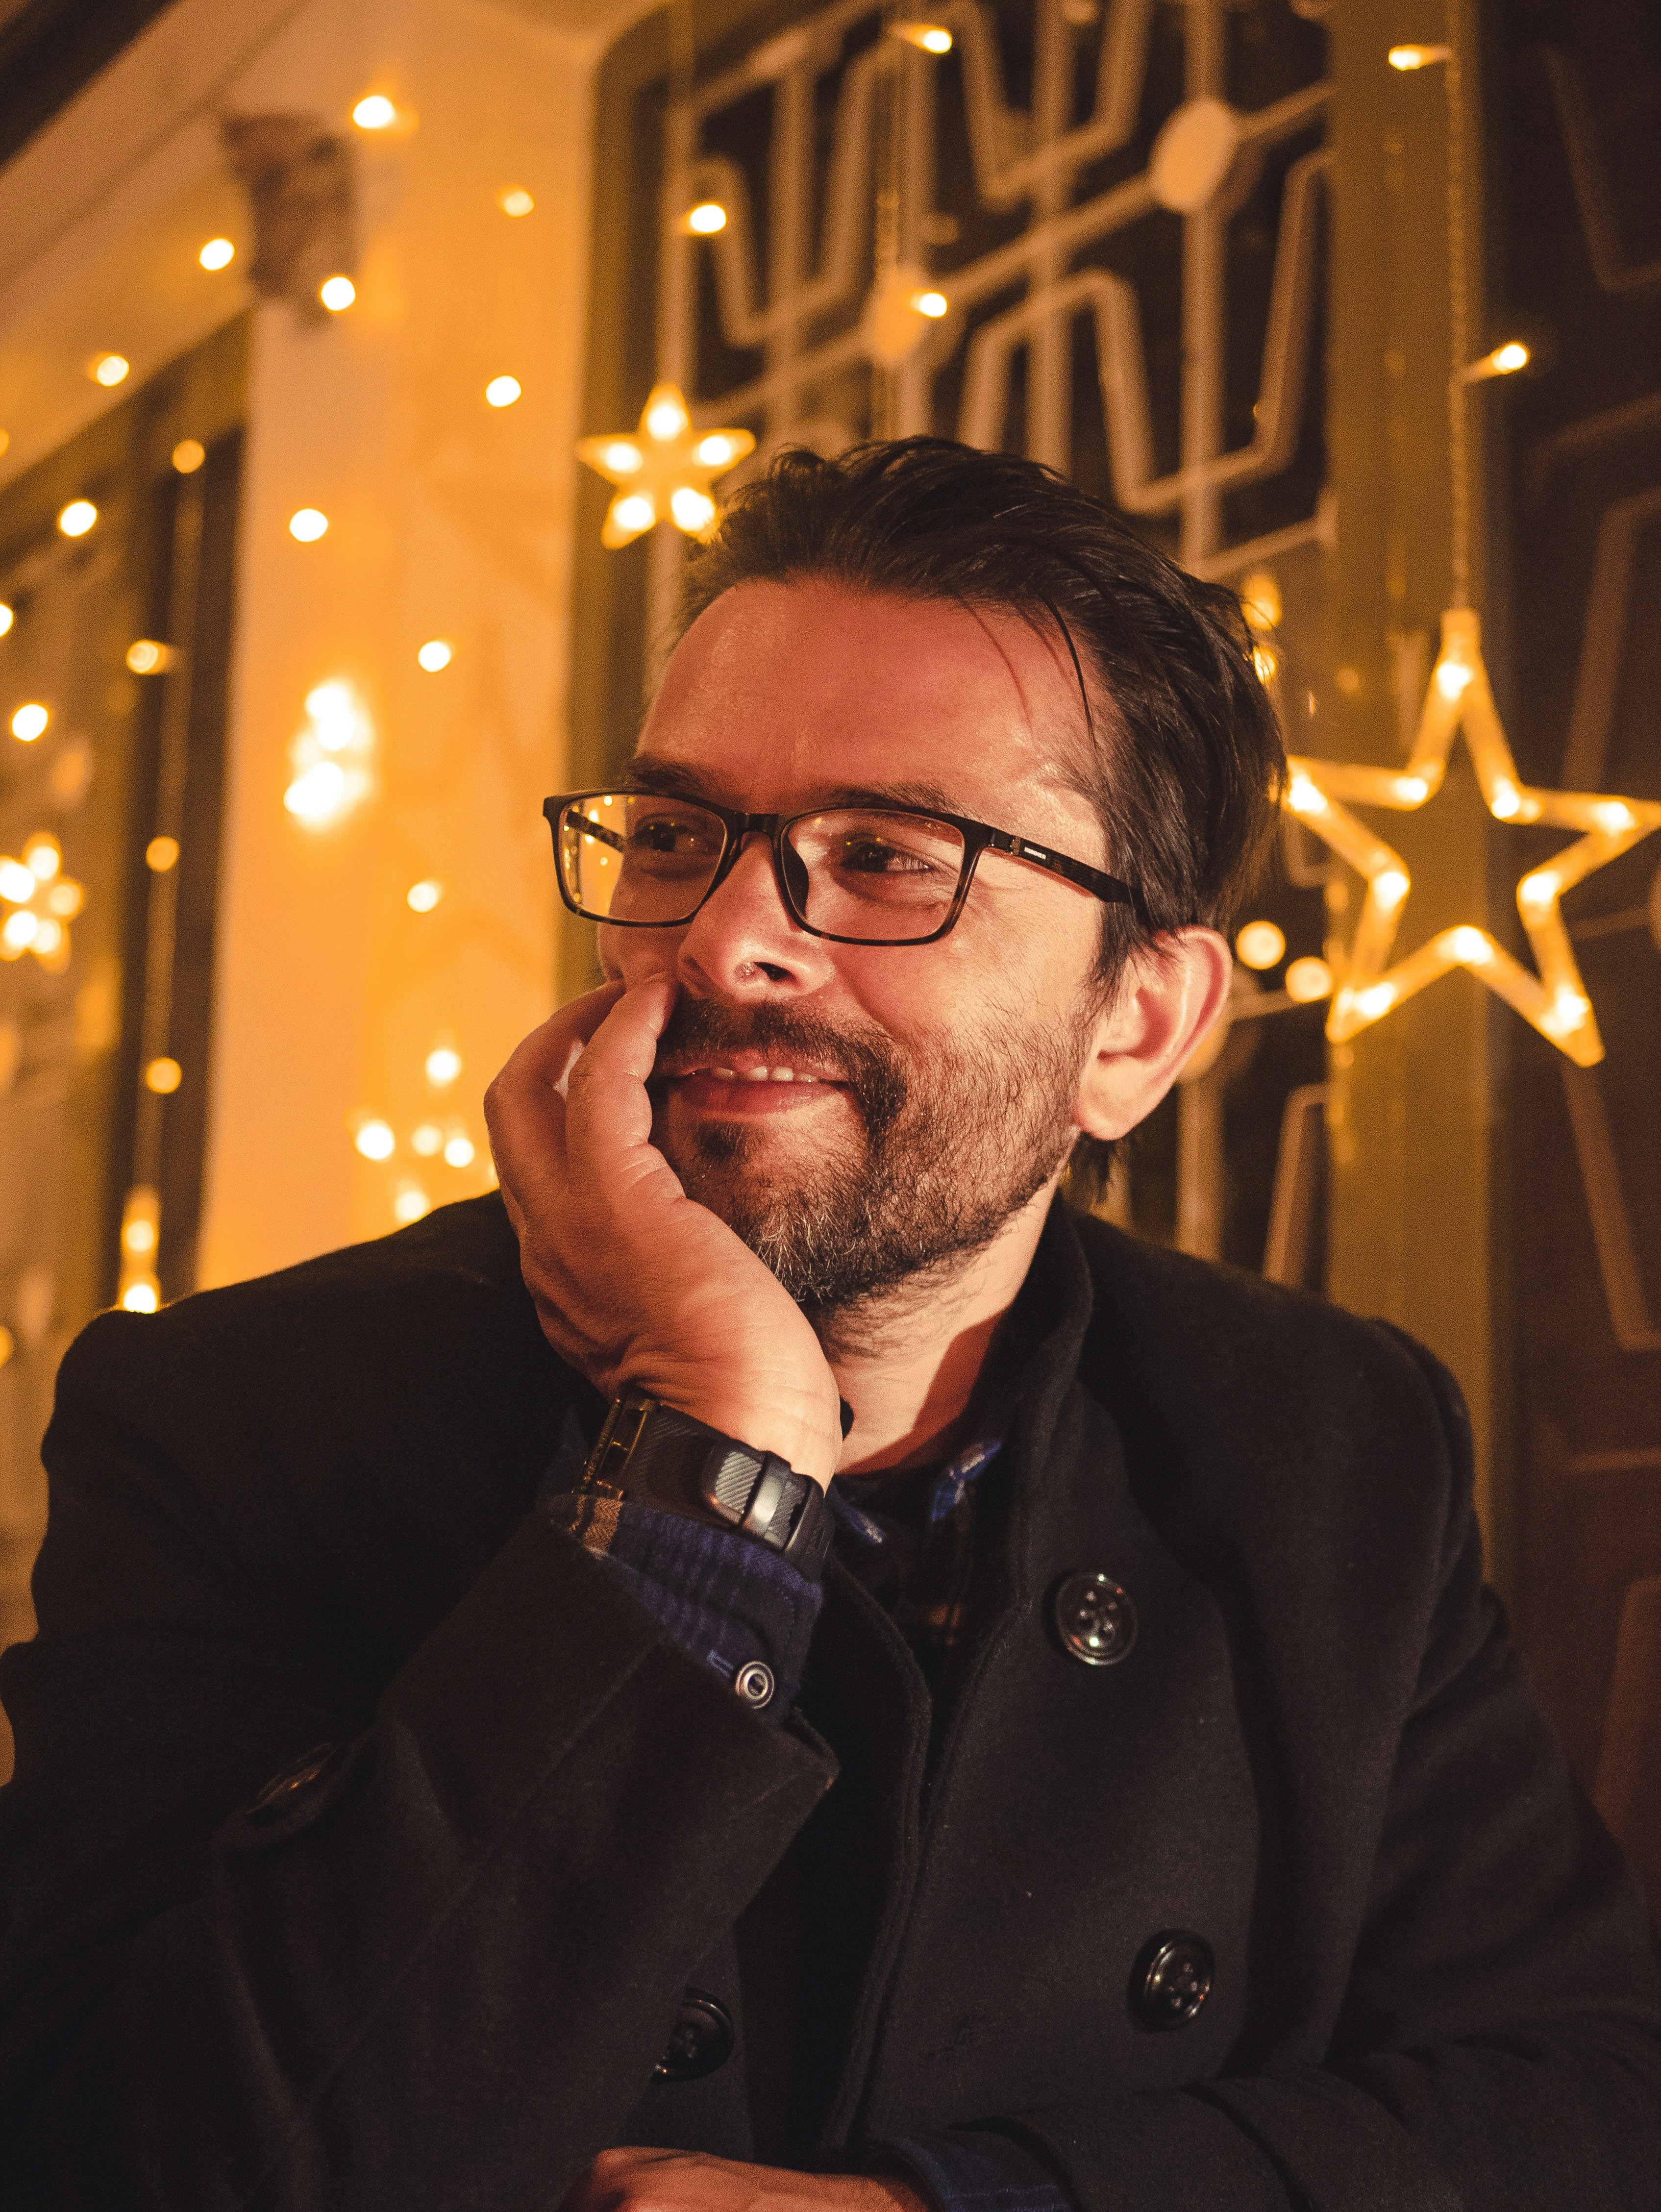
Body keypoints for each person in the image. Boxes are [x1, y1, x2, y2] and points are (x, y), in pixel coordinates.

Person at [0, 440, 1657, 2212]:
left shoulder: (1329, 1439)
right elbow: (133, 2162)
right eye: (674, 835)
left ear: (1136, 1026)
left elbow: (1584, 2102)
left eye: (883, 856)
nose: (726, 941)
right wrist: (712, 1451)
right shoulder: (247, 1418)